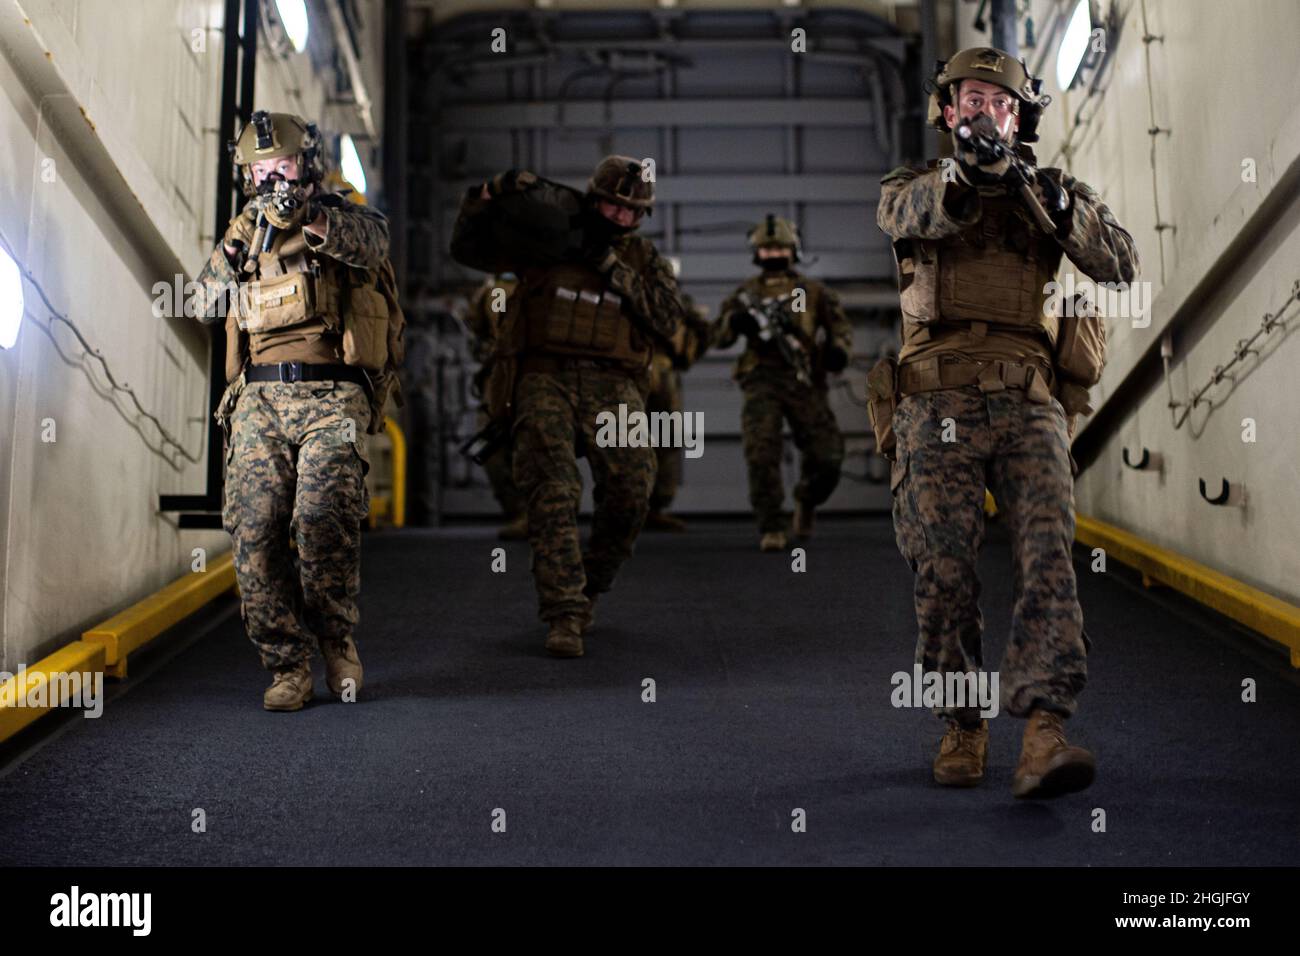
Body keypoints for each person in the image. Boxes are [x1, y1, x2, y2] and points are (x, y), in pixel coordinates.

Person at [873, 47, 1138, 795]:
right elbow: (914, 215)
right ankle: (963, 720)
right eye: (971, 97)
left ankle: (1046, 729)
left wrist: (1040, 197)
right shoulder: (911, 185)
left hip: (1027, 398)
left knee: (1048, 551)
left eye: (999, 99)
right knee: (943, 568)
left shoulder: (1054, 191)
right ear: (948, 111)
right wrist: (967, 176)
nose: (984, 108)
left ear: (1019, 116)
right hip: (935, 401)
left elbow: (1117, 262)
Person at [195, 111, 401, 710]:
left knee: (321, 518)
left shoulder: (345, 218)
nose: (271, 180)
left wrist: (312, 220)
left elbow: (374, 245)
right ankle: (287, 664)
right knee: (254, 529)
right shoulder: (243, 233)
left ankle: (337, 641)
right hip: (258, 398)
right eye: (259, 171)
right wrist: (234, 246)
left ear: (305, 165)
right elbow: (204, 304)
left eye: (280, 166)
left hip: (331, 394)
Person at [450, 157, 688, 657]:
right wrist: (485, 196)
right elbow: (468, 249)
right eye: (611, 206)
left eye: (631, 211)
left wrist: (610, 267)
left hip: (614, 384)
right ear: (590, 198)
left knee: (631, 491)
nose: (620, 217)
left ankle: (589, 587)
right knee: (552, 490)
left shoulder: (644, 260)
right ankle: (563, 613)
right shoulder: (544, 243)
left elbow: (667, 319)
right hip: (544, 377)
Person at [714, 215, 852, 551]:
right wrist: (735, 322)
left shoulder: (815, 291)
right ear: (757, 252)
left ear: (794, 250)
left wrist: (838, 351)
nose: (773, 254)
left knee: (828, 457)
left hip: (805, 379)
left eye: (780, 248)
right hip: (761, 378)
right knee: (762, 453)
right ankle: (772, 525)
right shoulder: (745, 293)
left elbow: (839, 329)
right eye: (767, 248)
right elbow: (718, 337)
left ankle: (805, 497)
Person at [643, 297, 713, 531]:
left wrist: (685, 354)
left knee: (667, 439)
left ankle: (655, 508)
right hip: (629, 365)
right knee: (620, 439)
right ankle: (624, 508)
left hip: (662, 369)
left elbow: (702, 329)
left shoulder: (672, 296)